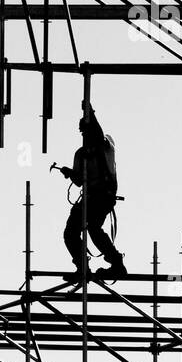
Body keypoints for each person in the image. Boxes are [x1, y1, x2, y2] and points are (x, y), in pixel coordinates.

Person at [59, 106, 127, 279]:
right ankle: (82, 265)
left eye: (87, 131)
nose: (85, 135)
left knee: (93, 227)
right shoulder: (81, 154)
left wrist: (90, 112)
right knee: (70, 232)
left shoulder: (106, 146)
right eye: (83, 132)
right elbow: (79, 181)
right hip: (89, 198)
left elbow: (98, 133)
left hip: (103, 196)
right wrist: (71, 173)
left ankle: (116, 262)